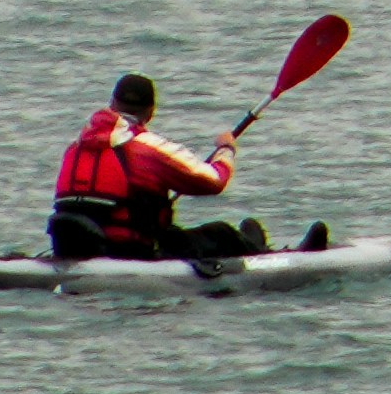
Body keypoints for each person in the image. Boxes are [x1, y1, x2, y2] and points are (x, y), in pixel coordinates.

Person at [48, 72, 274, 264]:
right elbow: (214, 180)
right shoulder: (148, 148)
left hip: (74, 247)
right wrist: (226, 150)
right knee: (220, 233)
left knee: (174, 233)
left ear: (112, 104)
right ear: (150, 112)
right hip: (131, 252)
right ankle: (261, 253)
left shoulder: (75, 147)